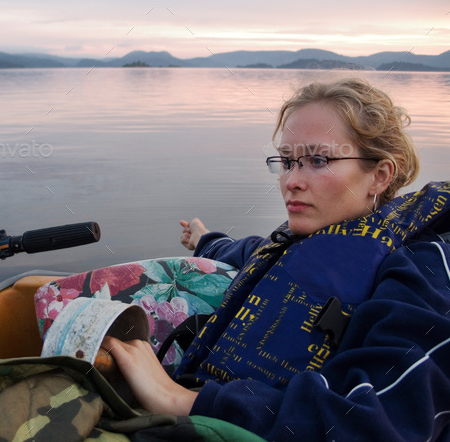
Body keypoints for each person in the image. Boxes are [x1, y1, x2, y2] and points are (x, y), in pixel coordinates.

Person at [102, 78, 450, 440]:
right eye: (287, 161)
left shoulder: (426, 270)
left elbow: (377, 424)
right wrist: (203, 237)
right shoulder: (295, 244)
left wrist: (180, 400)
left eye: (317, 160)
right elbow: (242, 252)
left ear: (379, 175)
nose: (291, 181)